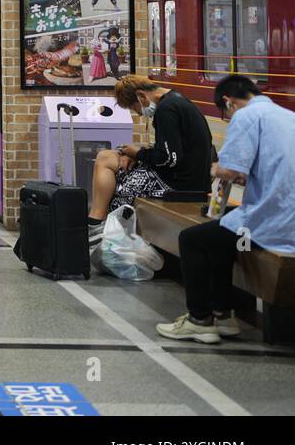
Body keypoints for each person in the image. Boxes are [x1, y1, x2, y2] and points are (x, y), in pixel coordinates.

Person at [155, 75, 295, 343]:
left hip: (273, 221)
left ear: (229, 102)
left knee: (192, 239)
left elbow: (229, 169)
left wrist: (216, 169)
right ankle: (223, 314)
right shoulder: (286, 115)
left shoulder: (246, 116)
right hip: (285, 215)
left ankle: (199, 319)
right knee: (221, 235)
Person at [87, 75, 214, 257]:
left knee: (118, 179)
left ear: (141, 96)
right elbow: (172, 150)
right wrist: (138, 155)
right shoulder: (176, 100)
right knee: (106, 157)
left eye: (134, 107)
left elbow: (169, 158)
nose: (139, 113)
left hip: (179, 184)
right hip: (188, 177)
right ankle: (96, 223)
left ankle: (96, 225)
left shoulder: (166, 110)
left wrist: (137, 154)